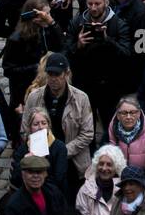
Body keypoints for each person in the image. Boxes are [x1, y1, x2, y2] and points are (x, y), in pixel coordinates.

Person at [20, 54, 94, 195]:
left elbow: (87, 133)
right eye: (50, 74)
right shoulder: (34, 97)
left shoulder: (81, 98)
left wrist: (62, 152)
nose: (53, 78)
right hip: (40, 160)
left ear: (66, 73)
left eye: (57, 74)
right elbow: (25, 129)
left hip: (73, 163)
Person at [66, 0, 132, 132]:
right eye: (90, 4)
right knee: (84, 127)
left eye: (97, 3)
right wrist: (78, 45)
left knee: (110, 127)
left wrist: (107, 40)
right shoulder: (78, 22)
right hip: (84, 83)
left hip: (109, 85)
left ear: (106, 2)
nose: (93, 8)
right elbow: (66, 51)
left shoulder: (118, 24)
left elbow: (126, 54)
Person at [3, 0, 64, 111]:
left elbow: (63, 46)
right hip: (26, 91)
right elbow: (8, 69)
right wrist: (38, 67)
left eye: (49, 14)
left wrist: (52, 24)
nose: (48, 18)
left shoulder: (47, 30)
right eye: (45, 15)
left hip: (47, 88)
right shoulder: (17, 39)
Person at [9, 107, 69, 195]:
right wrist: (25, 162)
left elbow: (58, 179)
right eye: (36, 124)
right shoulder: (23, 148)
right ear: (30, 128)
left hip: (53, 196)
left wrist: (41, 163)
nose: (40, 127)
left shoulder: (59, 147)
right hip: (28, 196)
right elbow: (15, 178)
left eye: (44, 123)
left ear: (49, 125)